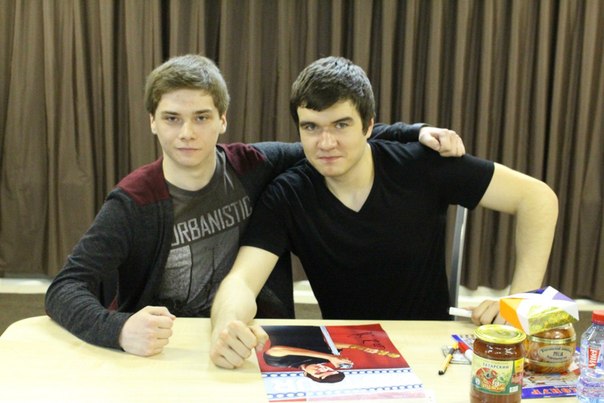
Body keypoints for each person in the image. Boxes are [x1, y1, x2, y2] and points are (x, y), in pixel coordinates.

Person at [44, 54, 465, 357]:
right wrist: (118, 329)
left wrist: (412, 132)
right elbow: (64, 288)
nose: (187, 132)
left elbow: (331, 139)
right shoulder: (134, 200)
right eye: (172, 118)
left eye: (202, 117)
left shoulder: (251, 165)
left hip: (254, 339)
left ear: (223, 119)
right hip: (169, 347)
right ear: (152, 121)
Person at [209, 56, 559, 369]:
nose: (326, 143)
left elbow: (537, 198)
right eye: (311, 127)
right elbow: (241, 281)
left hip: (431, 349)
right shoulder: (288, 194)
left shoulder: (420, 165)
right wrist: (227, 326)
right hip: (348, 355)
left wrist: (518, 302)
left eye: (341, 125)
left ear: (369, 125)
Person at [259, 325, 402, 383]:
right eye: (327, 369)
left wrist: (329, 356)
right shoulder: (327, 359)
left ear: (307, 375)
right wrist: (360, 348)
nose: (321, 368)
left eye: (319, 373)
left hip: (280, 322)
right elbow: (330, 345)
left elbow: (279, 349)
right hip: (310, 323)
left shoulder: (281, 363)